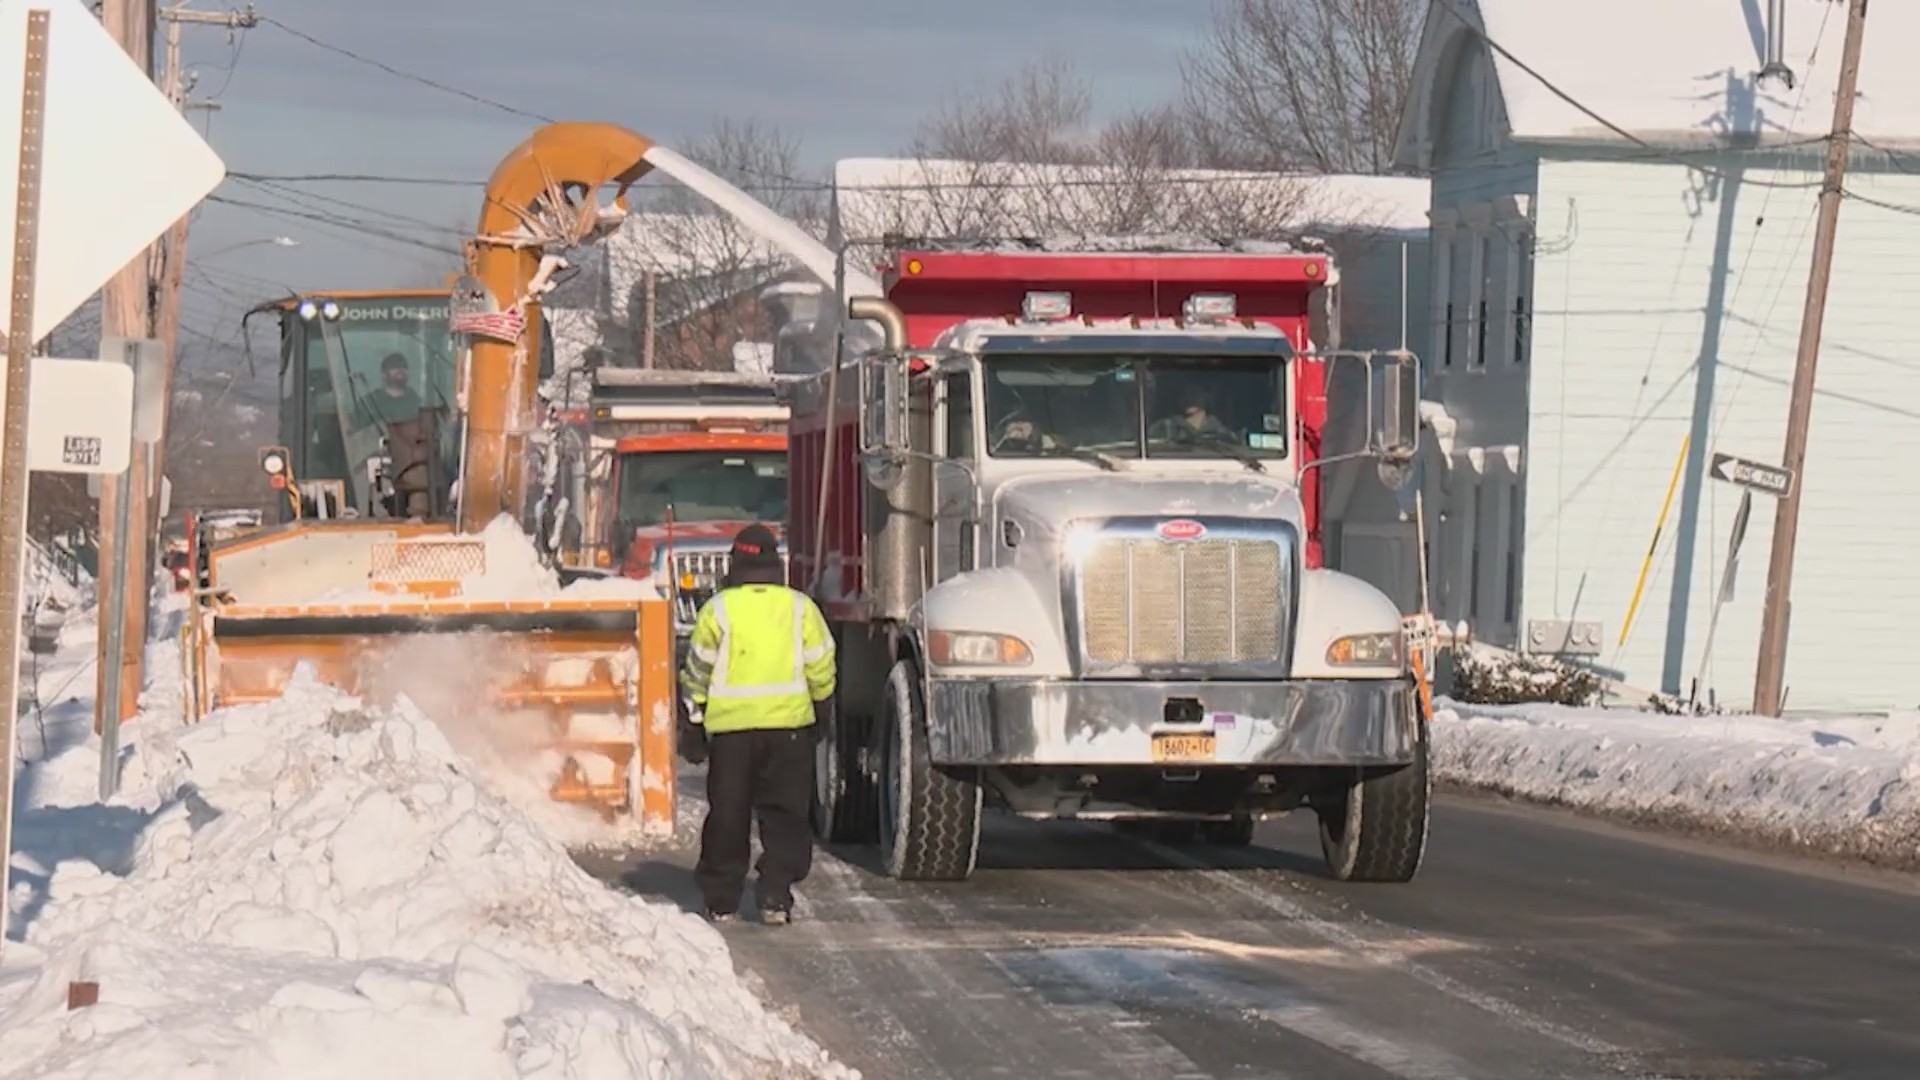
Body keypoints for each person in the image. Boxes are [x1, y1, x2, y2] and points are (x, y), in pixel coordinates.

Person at [679, 523, 835, 926]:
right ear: (775, 565)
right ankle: (775, 895)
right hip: (790, 729)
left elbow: (697, 669)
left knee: (729, 814)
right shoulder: (800, 607)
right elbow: (821, 661)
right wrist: (822, 704)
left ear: (736, 564)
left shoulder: (719, 609)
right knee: (785, 814)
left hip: (732, 733)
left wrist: (693, 720)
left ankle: (721, 898)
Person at [358, 353, 423, 427]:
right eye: (395, 367)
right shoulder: (370, 404)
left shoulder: (418, 402)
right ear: (383, 374)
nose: (400, 370)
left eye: (404, 367)